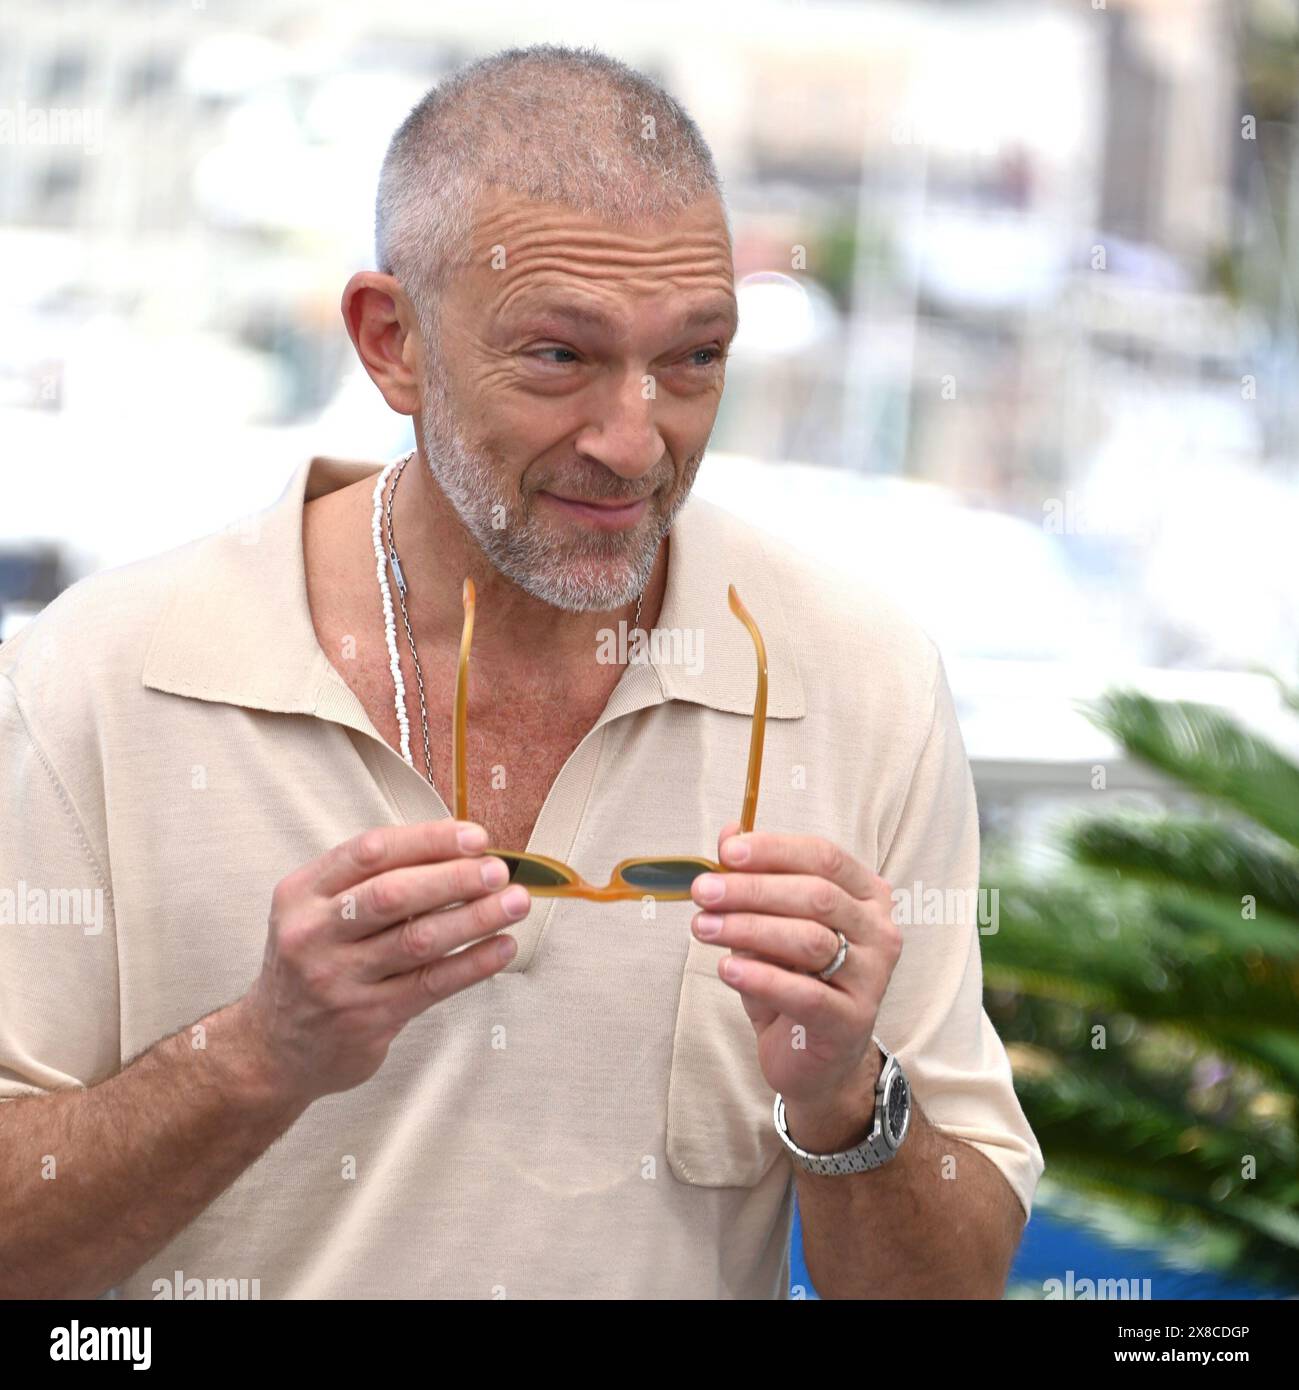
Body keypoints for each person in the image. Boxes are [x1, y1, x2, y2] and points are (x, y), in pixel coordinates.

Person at [0, 43, 1042, 1300]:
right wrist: (257, 1053)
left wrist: (844, 1094)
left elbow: (955, 1291)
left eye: (696, 359)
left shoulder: (860, 676)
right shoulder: (98, 678)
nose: (634, 439)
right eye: (560, 357)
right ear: (392, 341)